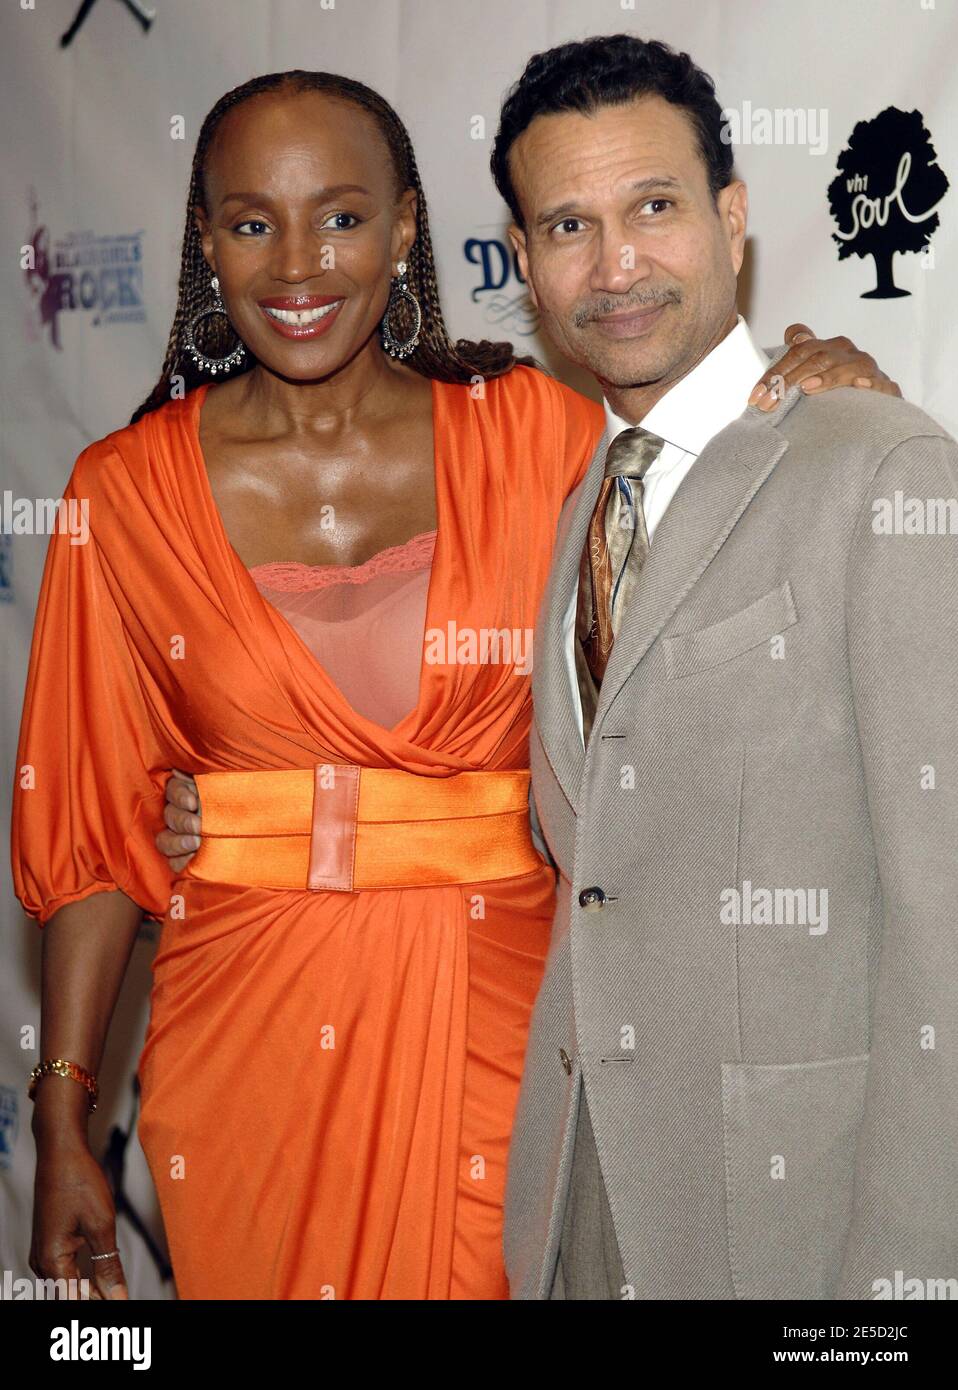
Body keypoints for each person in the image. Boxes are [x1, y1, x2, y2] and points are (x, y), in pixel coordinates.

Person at [17, 66, 892, 1304]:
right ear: (205, 241)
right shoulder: (121, 493)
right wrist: (62, 1112)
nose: (298, 263)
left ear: (407, 228)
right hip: (245, 1035)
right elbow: (95, 840)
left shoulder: (533, 434)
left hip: (514, 1021)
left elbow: (701, 585)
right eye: (252, 220)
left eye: (342, 214)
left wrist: (812, 386)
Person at [477, 34, 958, 1300]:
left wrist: (904, 1283)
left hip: (795, 1225)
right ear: (522, 264)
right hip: (584, 1202)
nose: (615, 263)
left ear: (732, 219)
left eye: (653, 207)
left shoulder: (880, 469)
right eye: (568, 225)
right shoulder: (585, 493)